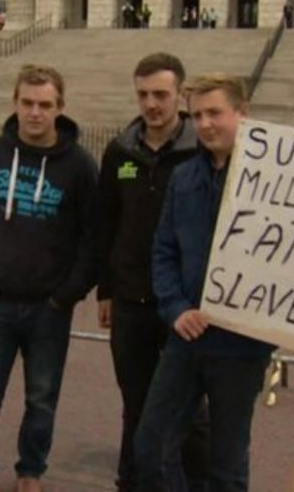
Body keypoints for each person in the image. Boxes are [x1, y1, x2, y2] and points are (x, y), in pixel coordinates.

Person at [0, 64, 99, 492]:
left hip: (50, 308)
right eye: (27, 103)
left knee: (41, 399)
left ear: (60, 108)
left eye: (45, 105)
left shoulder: (81, 166)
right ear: (15, 104)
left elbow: (93, 236)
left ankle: (30, 471)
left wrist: (69, 292)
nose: (35, 113)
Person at [134, 74, 275, 492]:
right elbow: (163, 250)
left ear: (242, 113)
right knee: (152, 447)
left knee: (227, 463)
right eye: (197, 115)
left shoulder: (274, 182)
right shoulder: (184, 177)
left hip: (242, 343)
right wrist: (175, 308)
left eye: (215, 113)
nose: (205, 123)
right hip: (187, 337)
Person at [96, 53, 207, 492]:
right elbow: (105, 223)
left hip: (184, 302)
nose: (152, 104)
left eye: (161, 94)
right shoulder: (119, 150)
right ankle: (134, 482)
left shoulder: (201, 150)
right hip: (131, 299)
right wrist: (105, 289)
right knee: (135, 402)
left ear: (180, 95)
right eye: (143, 95)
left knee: (192, 407)